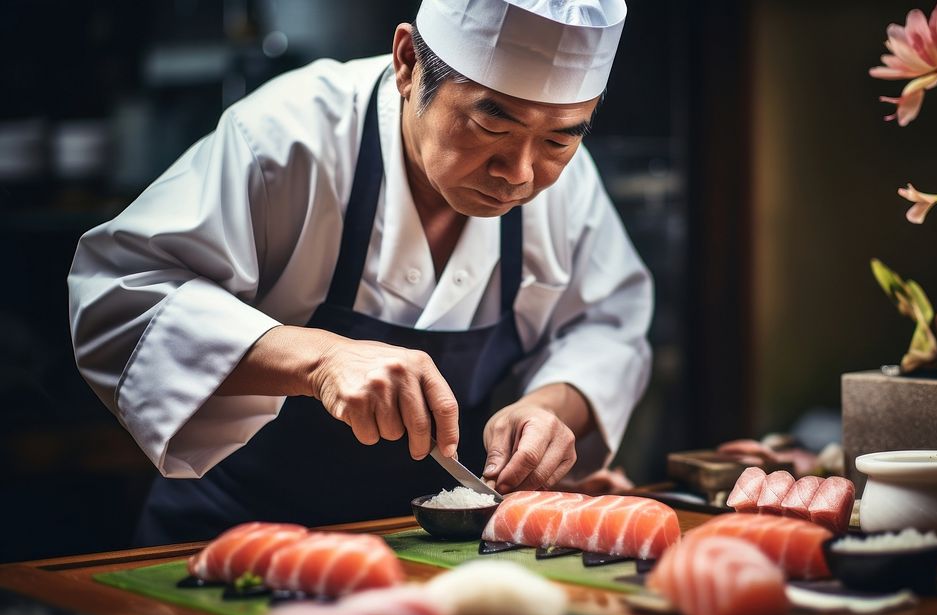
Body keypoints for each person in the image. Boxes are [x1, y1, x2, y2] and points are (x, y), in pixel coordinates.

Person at [68, 0, 651, 545]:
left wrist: (552, 403)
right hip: (236, 533)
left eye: (558, 138)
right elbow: (122, 298)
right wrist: (321, 360)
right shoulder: (287, 138)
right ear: (407, 64)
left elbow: (607, 326)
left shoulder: (565, 183)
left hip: (432, 548)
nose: (520, 173)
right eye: (491, 127)